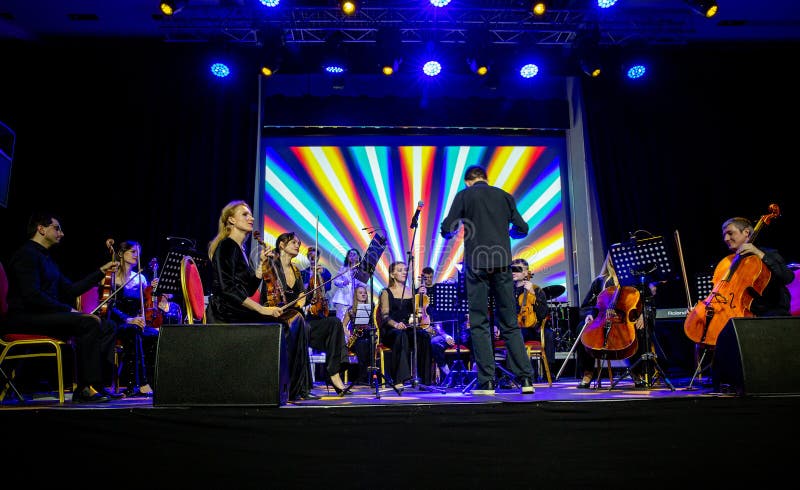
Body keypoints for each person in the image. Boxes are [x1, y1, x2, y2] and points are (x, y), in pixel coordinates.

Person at [205, 200, 318, 402]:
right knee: (291, 320)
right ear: (231, 219)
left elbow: (245, 289)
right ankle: (284, 387)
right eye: (245, 214)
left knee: (296, 317)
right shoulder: (227, 246)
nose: (252, 218)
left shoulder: (238, 249)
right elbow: (227, 289)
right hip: (225, 312)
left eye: (251, 214)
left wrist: (258, 271)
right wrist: (262, 309)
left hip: (234, 308)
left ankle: (295, 388)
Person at [4, 212, 121, 403]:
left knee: (108, 326)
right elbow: (32, 297)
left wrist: (102, 272)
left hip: (43, 315)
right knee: (88, 323)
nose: (62, 233)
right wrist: (68, 311)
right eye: (56, 228)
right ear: (41, 229)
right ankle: (84, 389)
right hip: (25, 317)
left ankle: (97, 386)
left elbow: (69, 290)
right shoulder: (26, 254)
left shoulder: (48, 259)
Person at [440, 165, 535, 395]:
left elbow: (446, 228)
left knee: (480, 323)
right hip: (503, 264)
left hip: (477, 265)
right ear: (486, 178)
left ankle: (487, 382)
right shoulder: (504, 196)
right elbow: (522, 227)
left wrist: (451, 232)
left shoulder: (464, 195)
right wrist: (509, 234)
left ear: (467, 182)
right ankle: (526, 380)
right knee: (510, 323)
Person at [273, 231, 352, 396]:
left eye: (298, 243)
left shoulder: (296, 272)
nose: (297, 245)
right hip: (282, 321)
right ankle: (300, 387)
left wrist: (315, 283)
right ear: (281, 245)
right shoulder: (274, 268)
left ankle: (333, 372)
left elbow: (305, 297)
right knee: (300, 324)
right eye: (293, 242)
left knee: (334, 323)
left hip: (302, 320)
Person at [106, 240, 181, 397]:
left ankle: (157, 382)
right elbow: (110, 307)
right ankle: (137, 384)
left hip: (136, 321)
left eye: (138, 252)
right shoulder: (111, 277)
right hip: (117, 322)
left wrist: (156, 290)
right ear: (120, 254)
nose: (137, 255)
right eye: (133, 251)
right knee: (134, 331)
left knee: (156, 335)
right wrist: (128, 319)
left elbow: (148, 303)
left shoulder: (140, 278)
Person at [577, 252, 648, 388]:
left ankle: (637, 371)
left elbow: (645, 302)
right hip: (603, 320)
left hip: (625, 319)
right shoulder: (600, 281)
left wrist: (643, 316)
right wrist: (590, 314)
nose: (614, 259)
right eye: (611, 256)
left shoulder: (633, 280)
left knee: (639, 329)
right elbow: (587, 305)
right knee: (582, 328)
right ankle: (588, 373)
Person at [378, 261, 434, 393]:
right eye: (400, 270)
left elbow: (416, 313)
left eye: (405, 270)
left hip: (407, 328)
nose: (404, 272)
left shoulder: (411, 292)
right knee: (400, 335)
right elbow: (385, 316)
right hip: (391, 330)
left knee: (423, 336)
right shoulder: (386, 292)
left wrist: (421, 295)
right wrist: (396, 324)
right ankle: (399, 379)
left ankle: (425, 380)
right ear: (392, 274)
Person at [511, 258, 554, 364]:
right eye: (512, 269)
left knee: (548, 334)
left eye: (517, 269)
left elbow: (543, 314)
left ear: (526, 272)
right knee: (516, 334)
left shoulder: (537, 290)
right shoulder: (508, 291)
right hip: (514, 328)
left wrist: (533, 294)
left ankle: (548, 371)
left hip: (533, 329)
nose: (514, 272)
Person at [418, 266, 454, 382]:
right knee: (430, 342)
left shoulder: (438, 290)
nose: (427, 280)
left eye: (429, 277)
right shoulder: (417, 292)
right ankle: (429, 377)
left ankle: (450, 376)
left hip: (443, 326)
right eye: (425, 278)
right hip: (429, 326)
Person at [341, 285, 373, 385]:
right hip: (356, 340)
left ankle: (370, 376)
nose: (363, 294)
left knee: (369, 342)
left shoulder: (371, 307)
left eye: (365, 292)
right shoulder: (351, 310)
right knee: (362, 343)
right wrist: (348, 335)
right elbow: (343, 325)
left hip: (369, 336)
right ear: (355, 295)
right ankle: (363, 377)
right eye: (360, 292)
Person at [331, 248, 367, 321]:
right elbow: (336, 281)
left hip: (355, 299)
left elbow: (364, 285)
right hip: (342, 299)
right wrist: (343, 282)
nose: (351, 256)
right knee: (341, 321)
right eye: (349, 255)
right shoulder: (343, 268)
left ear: (358, 257)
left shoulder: (361, 271)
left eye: (354, 255)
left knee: (354, 323)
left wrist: (357, 281)